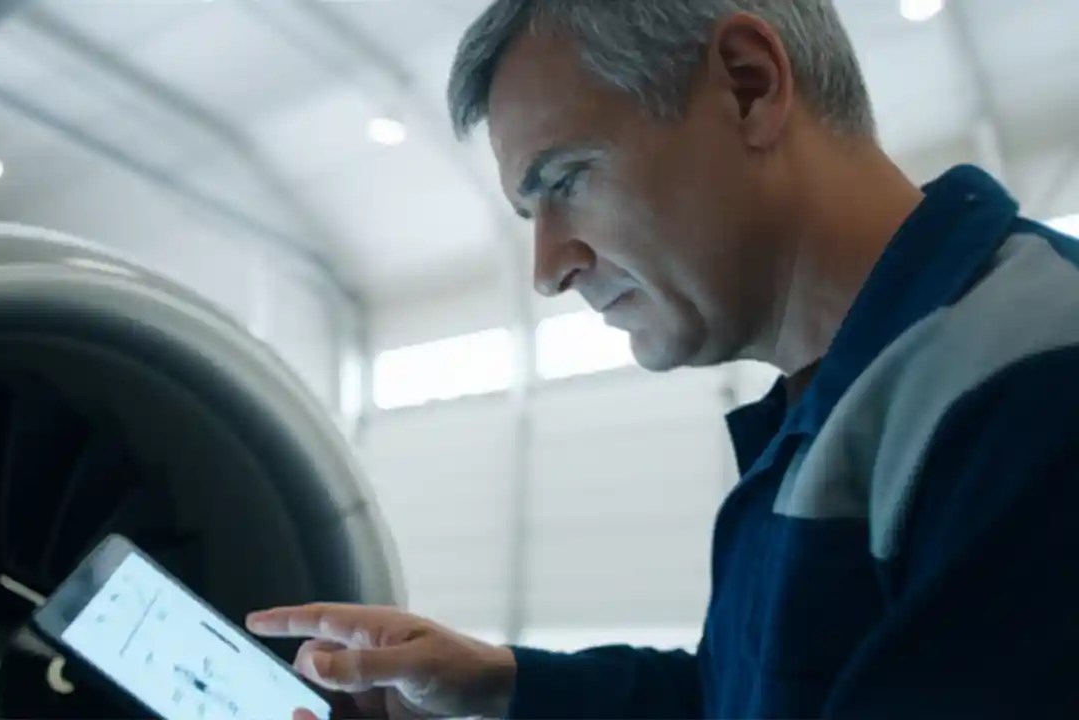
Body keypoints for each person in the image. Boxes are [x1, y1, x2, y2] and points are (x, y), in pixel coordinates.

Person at [247, 0, 1079, 717]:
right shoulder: (837, 408)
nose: (548, 269)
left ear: (748, 86)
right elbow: (742, 698)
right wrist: (502, 684)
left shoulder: (1033, 380)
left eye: (565, 179)